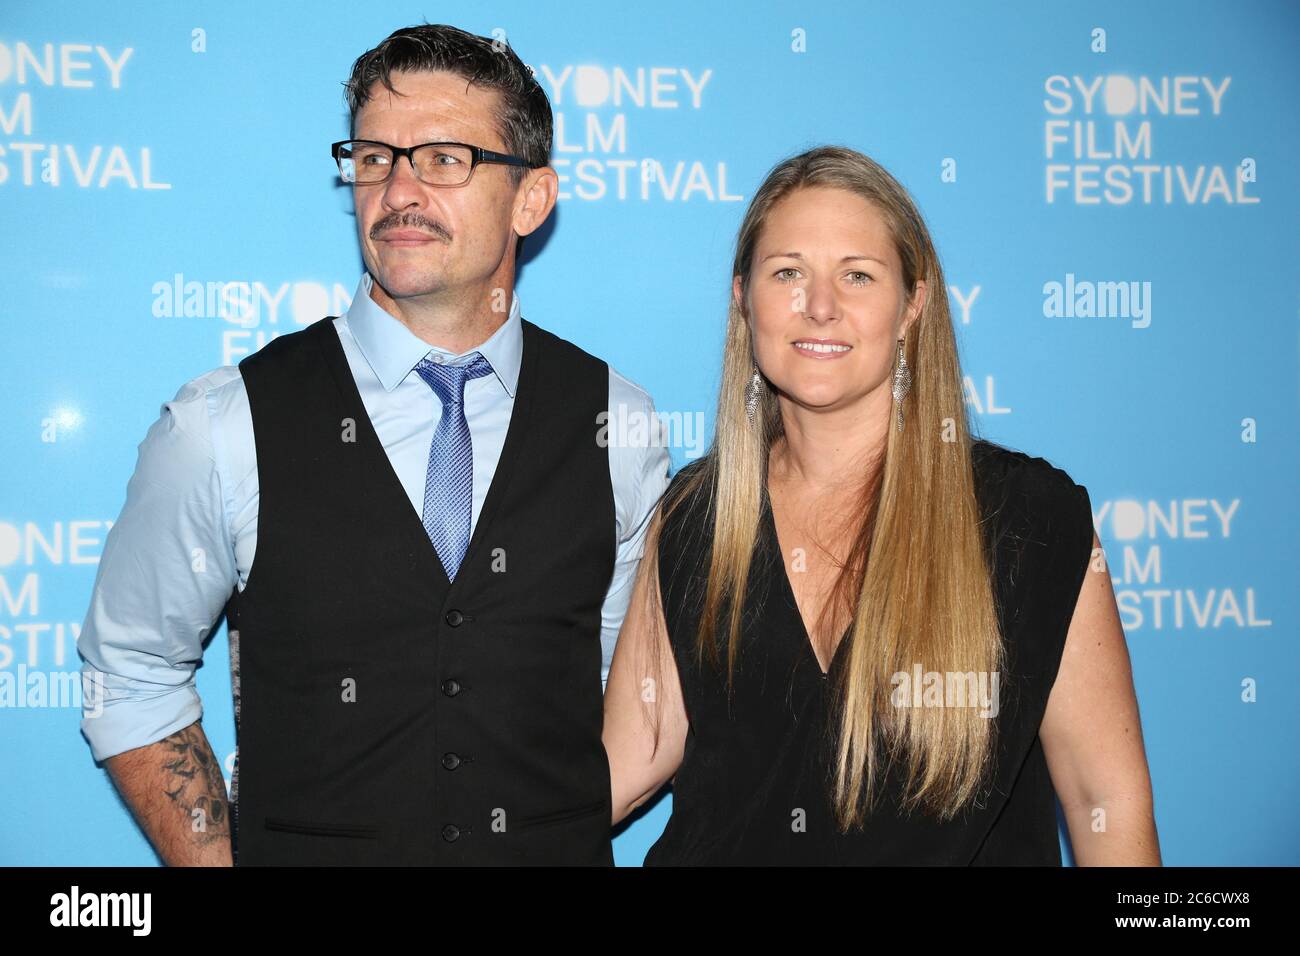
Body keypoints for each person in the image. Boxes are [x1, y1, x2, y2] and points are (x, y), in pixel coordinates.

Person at [77, 24, 669, 866]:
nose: (398, 190)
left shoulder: (620, 426)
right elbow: (130, 670)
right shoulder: (226, 423)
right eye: (374, 156)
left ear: (532, 199)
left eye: (443, 158)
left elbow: (630, 697)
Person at [603, 145, 1161, 865]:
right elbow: (632, 752)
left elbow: (1101, 801)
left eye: (857, 275)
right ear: (743, 300)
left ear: (912, 305)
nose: (821, 306)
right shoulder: (695, 514)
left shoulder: (1032, 519)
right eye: (788, 273)